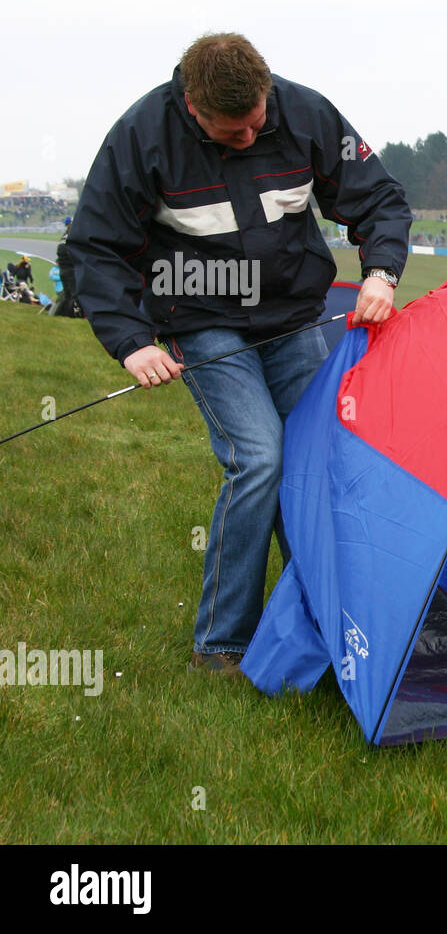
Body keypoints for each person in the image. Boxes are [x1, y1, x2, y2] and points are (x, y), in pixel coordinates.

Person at [68, 33, 412, 673]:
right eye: (234, 135)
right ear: (193, 106)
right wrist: (131, 343)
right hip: (202, 319)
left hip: (292, 315)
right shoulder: (141, 137)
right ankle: (221, 644)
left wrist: (381, 271)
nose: (251, 139)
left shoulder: (306, 113)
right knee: (259, 458)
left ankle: (326, 621)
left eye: (257, 124)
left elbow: (378, 197)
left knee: (319, 457)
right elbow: (94, 248)